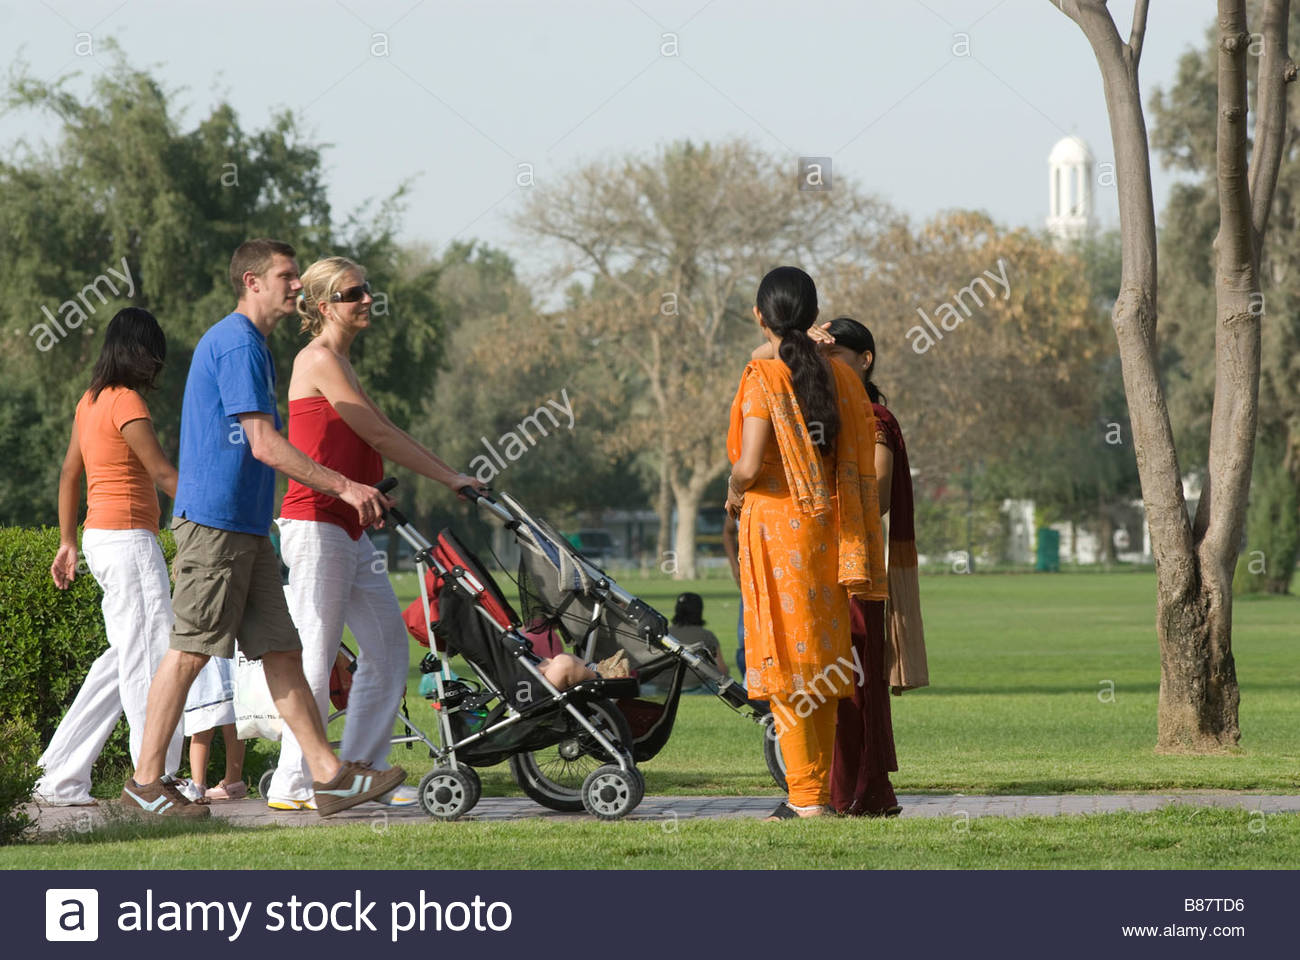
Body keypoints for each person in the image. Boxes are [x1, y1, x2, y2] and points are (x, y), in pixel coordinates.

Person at [120, 238, 402, 819]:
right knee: (190, 652)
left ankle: (328, 777)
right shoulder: (237, 342)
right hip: (216, 526)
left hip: (246, 529)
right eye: (287, 276)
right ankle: (146, 784)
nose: (297, 285)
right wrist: (345, 486)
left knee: (281, 651)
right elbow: (264, 443)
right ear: (252, 281)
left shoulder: (256, 346)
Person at [267, 255, 488, 810]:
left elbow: (370, 438)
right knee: (315, 657)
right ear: (322, 307)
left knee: (388, 648)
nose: (367, 298)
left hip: (348, 528)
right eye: (352, 293)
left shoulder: (340, 361)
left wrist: (375, 486)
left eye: (366, 289)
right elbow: (380, 433)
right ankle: (296, 783)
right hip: (315, 525)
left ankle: (359, 771)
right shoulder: (317, 358)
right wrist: (450, 476)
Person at [726, 267, 888, 820]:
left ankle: (807, 797)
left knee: (784, 665)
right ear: (814, 316)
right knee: (821, 663)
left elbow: (748, 464)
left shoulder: (761, 377)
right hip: (826, 535)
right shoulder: (842, 379)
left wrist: (731, 488)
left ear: (758, 315)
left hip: (774, 532)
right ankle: (816, 794)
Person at [34, 308, 194, 806]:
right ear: (136, 351)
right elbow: (164, 474)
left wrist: (68, 541)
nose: (155, 366)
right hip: (128, 543)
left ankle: (58, 776)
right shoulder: (125, 402)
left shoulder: (90, 401)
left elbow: (68, 475)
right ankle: (157, 785)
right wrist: (216, 511)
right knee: (151, 661)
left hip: (102, 540)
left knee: (122, 660)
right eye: (152, 354)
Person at [822, 317, 928, 817]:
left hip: (857, 568)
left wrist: (816, 501)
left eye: (837, 356)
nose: (828, 366)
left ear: (865, 360)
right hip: (816, 569)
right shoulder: (823, 416)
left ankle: (854, 793)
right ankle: (837, 792)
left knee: (855, 684)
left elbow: (879, 497)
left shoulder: (872, 420)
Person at [182, 656, 246, 800]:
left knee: (201, 727)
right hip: (229, 661)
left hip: (204, 663)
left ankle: (198, 784)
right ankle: (233, 780)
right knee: (233, 724)